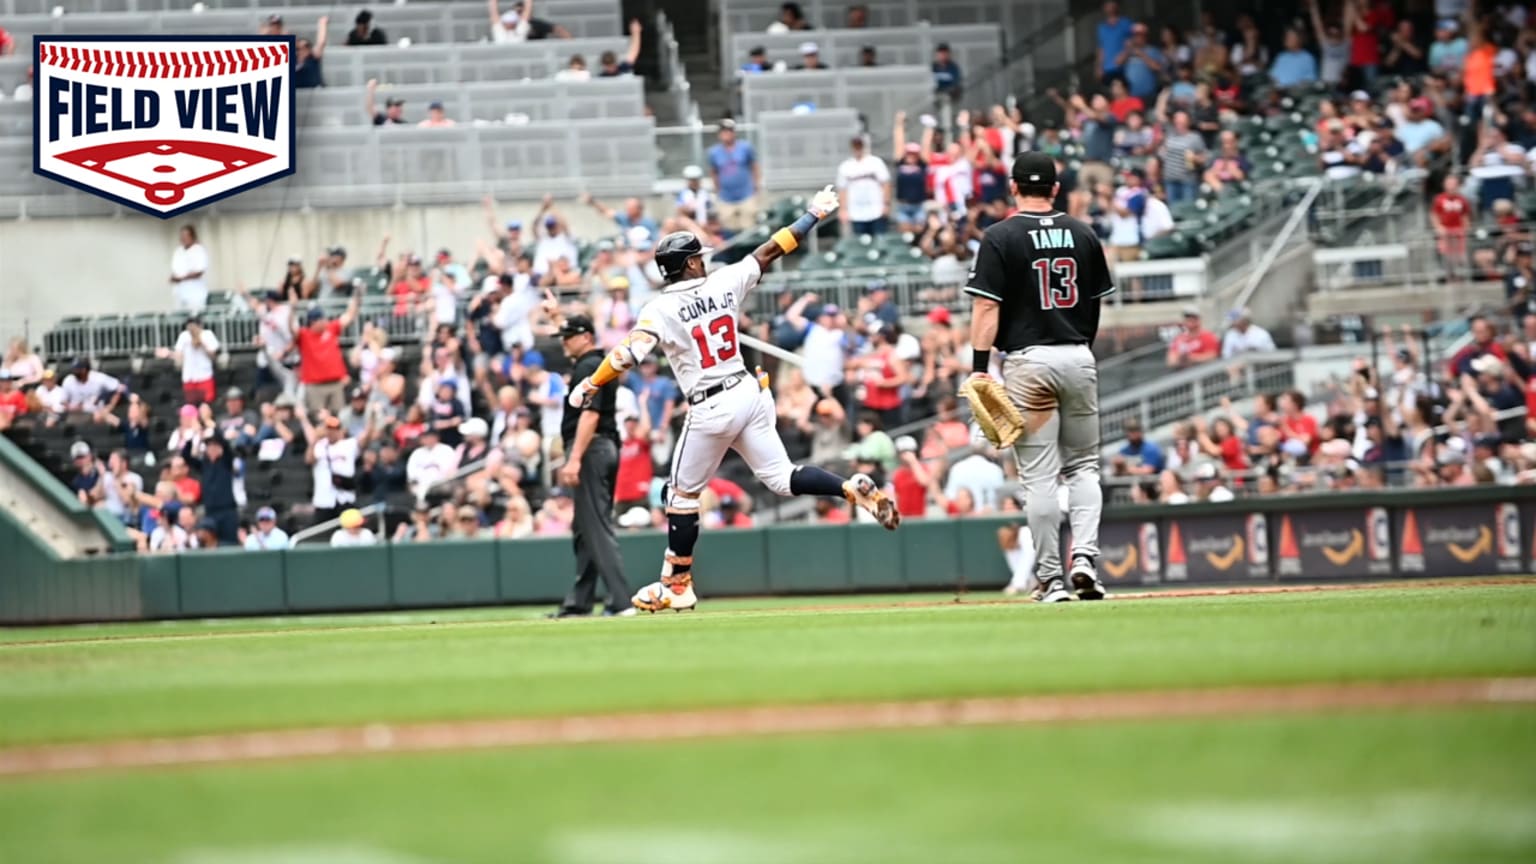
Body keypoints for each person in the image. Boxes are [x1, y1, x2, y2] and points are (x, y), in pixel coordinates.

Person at [566, 191, 901, 612]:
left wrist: (592, 384)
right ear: (689, 263)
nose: (703, 259)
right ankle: (851, 487)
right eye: (698, 256)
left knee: (680, 498)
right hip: (749, 391)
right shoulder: (724, 281)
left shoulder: (660, 308)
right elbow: (771, 250)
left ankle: (678, 584)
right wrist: (812, 215)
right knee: (782, 477)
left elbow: (625, 355)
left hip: (712, 405)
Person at [964, 152, 1111, 603]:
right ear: (1054, 189)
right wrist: (1079, 345)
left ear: (1013, 187)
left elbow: (987, 307)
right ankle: (1084, 557)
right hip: (1077, 355)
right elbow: (1096, 303)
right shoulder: (1083, 233)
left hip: (1029, 363)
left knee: (1040, 479)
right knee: (1084, 467)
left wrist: (978, 369)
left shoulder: (1000, 236)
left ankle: (1050, 579)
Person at [543, 312, 631, 618]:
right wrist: (557, 317)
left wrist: (575, 458)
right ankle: (580, 602)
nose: (564, 342)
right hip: (603, 447)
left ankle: (621, 601)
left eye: (569, 337)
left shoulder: (589, 366)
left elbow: (590, 414)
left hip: (591, 448)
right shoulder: (595, 363)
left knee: (595, 527)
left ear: (587, 337)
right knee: (584, 528)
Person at [170, 225, 209, 312]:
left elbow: (199, 272)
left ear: (192, 236)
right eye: (182, 236)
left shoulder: (199, 250)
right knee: (180, 319)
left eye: (186, 236)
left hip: (195, 295)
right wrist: (173, 278)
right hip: (180, 293)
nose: (183, 238)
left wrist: (182, 278)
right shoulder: (178, 251)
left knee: (194, 320)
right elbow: (175, 271)